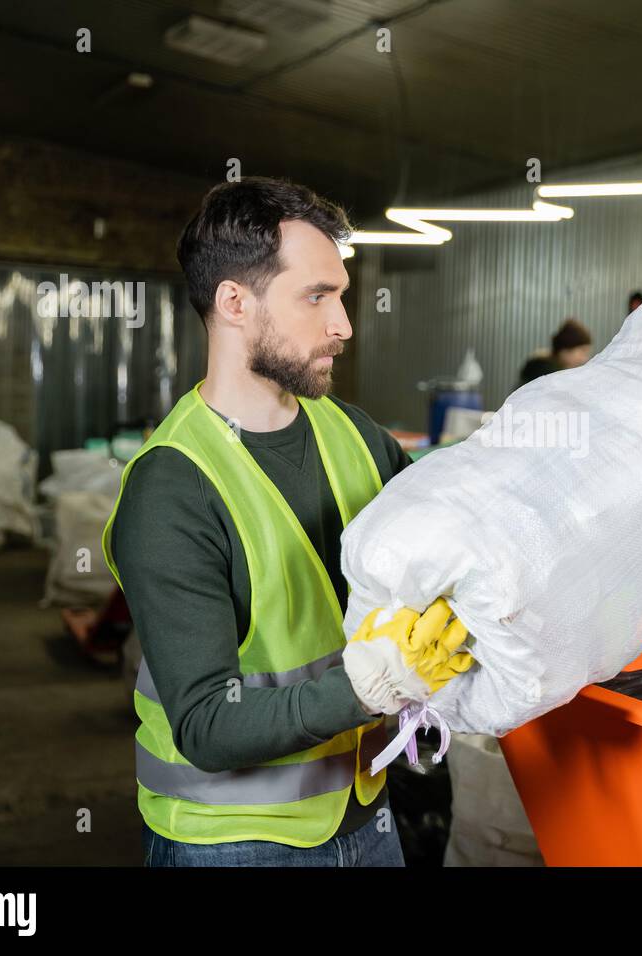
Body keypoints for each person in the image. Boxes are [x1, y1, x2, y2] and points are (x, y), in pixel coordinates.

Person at [102, 177, 473, 867]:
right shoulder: (172, 488)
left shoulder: (353, 434)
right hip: (232, 843)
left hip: (367, 815)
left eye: (341, 294)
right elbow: (206, 725)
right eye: (317, 297)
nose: (344, 325)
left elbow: (451, 538)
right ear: (234, 303)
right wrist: (371, 686)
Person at [518, 318, 593, 386]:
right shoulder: (547, 375)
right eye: (583, 352)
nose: (585, 358)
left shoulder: (554, 371)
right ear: (565, 351)